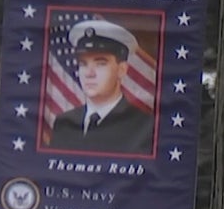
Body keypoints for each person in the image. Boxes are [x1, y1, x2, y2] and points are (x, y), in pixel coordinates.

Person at [48, 20, 155, 155]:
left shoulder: (144, 126)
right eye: (83, 64)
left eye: (100, 64)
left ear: (121, 70)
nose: (89, 73)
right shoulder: (63, 123)